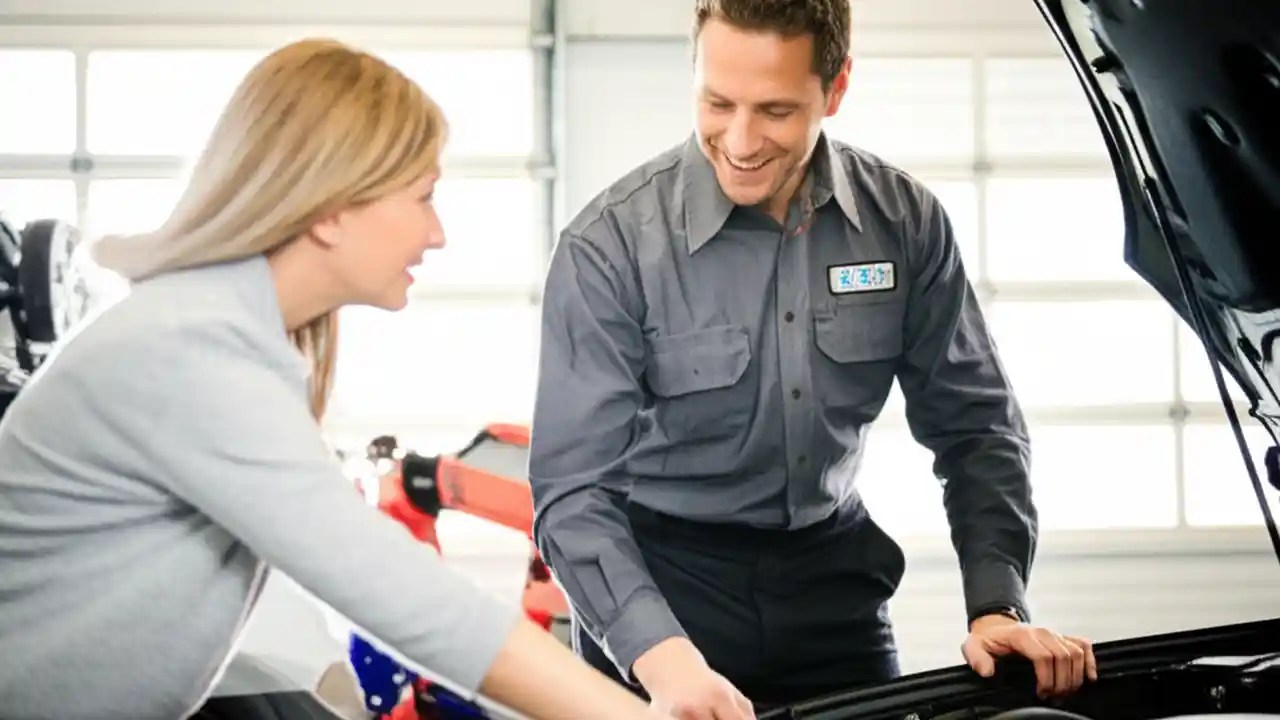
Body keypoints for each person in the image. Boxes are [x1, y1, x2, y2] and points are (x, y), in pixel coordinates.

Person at [0, 38, 670, 720]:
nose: (436, 234)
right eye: (423, 197)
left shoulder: (223, 335)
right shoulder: (190, 352)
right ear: (329, 208)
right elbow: (405, 598)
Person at [528, 1, 1100, 718]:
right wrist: (665, 666)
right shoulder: (608, 248)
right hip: (666, 594)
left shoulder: (904, 225)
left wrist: (997, 607)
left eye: (774, 110)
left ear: (835, 89)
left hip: (833, 591)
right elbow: (572, 494)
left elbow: (977, 429)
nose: (738, 140)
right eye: (716, 102)